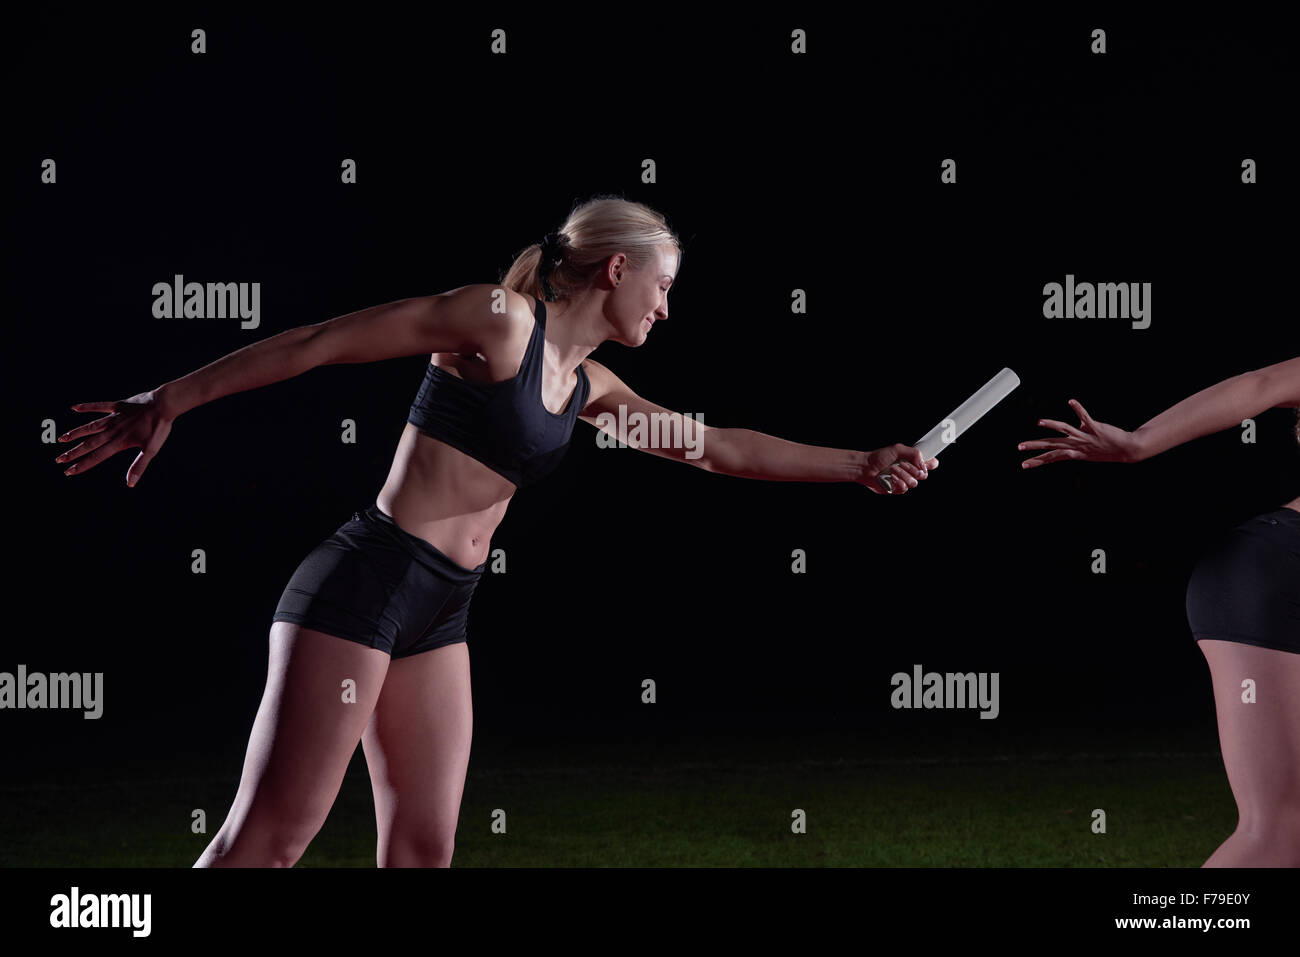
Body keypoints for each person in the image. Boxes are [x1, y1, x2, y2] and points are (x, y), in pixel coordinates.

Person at [54, 195, 938, 867]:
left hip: (441, 610)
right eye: (664, 287)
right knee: (268, 844)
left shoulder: (587, 389)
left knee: (423, 850)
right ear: (617, 271)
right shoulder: (498, 321)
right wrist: (168, 398)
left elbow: (716, 449)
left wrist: (860, 463)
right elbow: (322, 340)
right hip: (363, 585)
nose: (667, 311)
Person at [1018, 356, 1300, 867]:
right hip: (1277, 574)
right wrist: (1140, 442)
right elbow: (1260, 384)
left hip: (1267, 571)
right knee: (1282, 830)